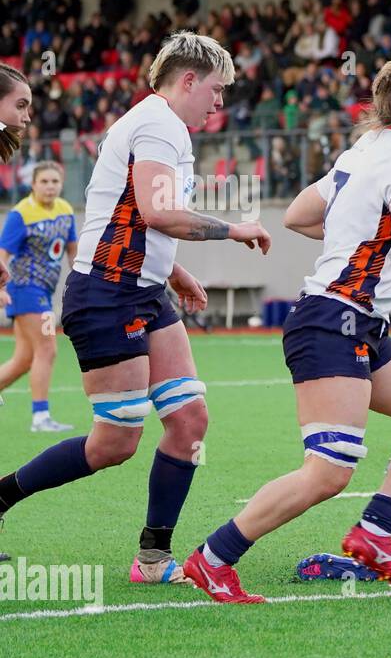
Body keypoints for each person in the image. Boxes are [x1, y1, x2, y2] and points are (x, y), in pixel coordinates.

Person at [184, 60, 391, 604]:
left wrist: (355, 236)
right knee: (327, 472)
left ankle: (375, 531)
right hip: (333, 321)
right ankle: (213, 558)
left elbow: (296, 215)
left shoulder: (360, 153)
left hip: (357, 323)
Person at [0, 33, 272, 584]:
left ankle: (152, 559)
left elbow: (124, 211)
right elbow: (154, 210)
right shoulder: (157, 124)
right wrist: (232, 228)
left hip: (142, 291)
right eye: (216, 90)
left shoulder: (159, 124)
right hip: (107, 292)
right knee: (114, 443)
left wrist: (173, 270)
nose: (219, 103)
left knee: (189, 420)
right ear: (188, 80)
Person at [0, 161, 78, 431]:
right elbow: (2, 255)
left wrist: (83, 283)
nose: (49, 186)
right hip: (25, 290)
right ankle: (41, 417)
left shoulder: (65, 210)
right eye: (44, 181)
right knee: (47, 347)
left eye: (54, 182)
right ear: (32, 184)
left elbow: (72, 251)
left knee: (23, 359)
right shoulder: (20, 214)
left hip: (45, 290)